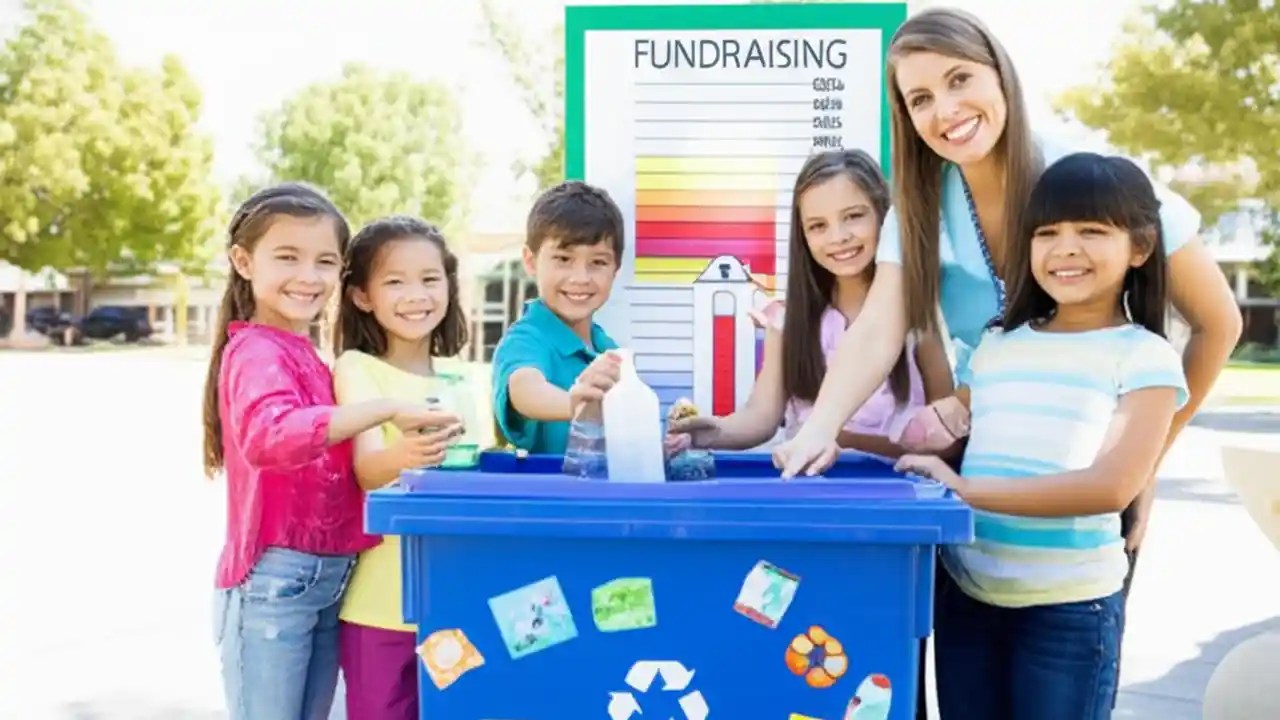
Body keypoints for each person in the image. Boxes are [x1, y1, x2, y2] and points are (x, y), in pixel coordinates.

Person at [771, 1, 1239, 618]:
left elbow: (1219, 322)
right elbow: (878, 328)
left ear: (999, 73)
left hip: (1078, 502)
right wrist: (818, 428)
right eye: (921, 99)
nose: (946, 111)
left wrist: (1146, 461)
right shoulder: (918, 205)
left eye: (959, 80)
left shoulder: (1082, 177)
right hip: (983, 485)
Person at [893, 152, 1190, 719]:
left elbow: (1109, 488)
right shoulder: (1000, 343)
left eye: (1092, 230)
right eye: (1047, 232)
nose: (1066, 248)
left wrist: (963, 490)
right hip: (969, 594)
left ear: (1141, 247)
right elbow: (943, 428)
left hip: (1069, 611)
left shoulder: (1145, 356)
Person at [203, 184, 452, 720]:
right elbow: (272, 435)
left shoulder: (309, 356)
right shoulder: (254, 351)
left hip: (327, 581)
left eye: (324, 262)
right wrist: (383, 409)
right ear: (244, 262)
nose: (308, 276)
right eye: (287, 258)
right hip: (274, 581)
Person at [667, 149, 955, 457]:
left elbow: (949, 440)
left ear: (884, 217)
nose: (839, 237)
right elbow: (760, 416)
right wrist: (713, 434)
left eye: (854, 216)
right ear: (802, 235)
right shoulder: (789, 321)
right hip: (808, 491)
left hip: (899, 496)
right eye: (818, 226)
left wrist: (839, 439)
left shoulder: (917, 316)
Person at [330, 216, 478, 720]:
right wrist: (413, 453)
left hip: (465, 601)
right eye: (395, 281)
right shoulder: (358, 367)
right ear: (362, 296)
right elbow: (369, 469)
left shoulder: (467, 379)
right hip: (381, 607)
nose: (416, 294)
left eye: (430, 279)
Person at [492, 180, 627, 454]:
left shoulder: (608, 348)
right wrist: (574, 403)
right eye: (563, 259)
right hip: (545, 496)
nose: (580, 278)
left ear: (616, 269)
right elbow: (525, 390)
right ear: (530, 261)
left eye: (598, 262)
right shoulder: (527, 337)